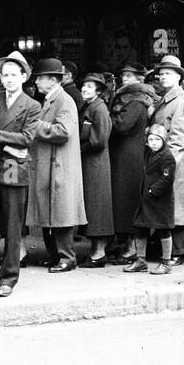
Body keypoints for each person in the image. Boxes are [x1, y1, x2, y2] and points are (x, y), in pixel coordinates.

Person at [0, 51, 41, 297]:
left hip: (13, 169)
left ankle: (8, 278)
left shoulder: (32, 105)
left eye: (14, 75)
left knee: (13, 225)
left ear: (24, 77)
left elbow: (27, 138)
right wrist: (8, 144)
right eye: (5, 75)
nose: (9, 79)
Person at [28, 57, 86, 273]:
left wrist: (35, 125)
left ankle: (66, 257)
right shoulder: (52, 100)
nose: (36, 82)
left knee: (61, 213)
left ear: (53, 80)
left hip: (59, 166)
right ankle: (56, 256)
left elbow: (63, 131)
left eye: (40, 78)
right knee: (51, 212)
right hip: (50, 165)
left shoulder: (65, 101)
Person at [108, 63, 156, 265]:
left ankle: (130, 248)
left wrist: (108, 116)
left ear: (139, 79)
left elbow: (123, 125)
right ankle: (126, 245)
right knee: (123, 201)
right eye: (123, 75)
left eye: (129, 76)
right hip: (126, 154)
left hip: (129, 156)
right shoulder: (130, 98)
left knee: (126, 202)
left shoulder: (135, 101)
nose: (124, 78)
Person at [150, 55, 184, 264]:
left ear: (178, 77)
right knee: (170, 205)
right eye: (161, 74)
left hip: (175, 161)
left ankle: (179, 251)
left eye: (168, 73)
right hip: (165, 159)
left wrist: (167, 164)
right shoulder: (166, 99)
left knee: (177, 207)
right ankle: (172, 249)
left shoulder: (179, 101)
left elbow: (178, 136)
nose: (163, 77)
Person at [125, 123, 175, 275]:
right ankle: (141, 260)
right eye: (151, 139)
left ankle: (166, 262)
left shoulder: (167, 156)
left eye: (157, 140)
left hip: (160, 200)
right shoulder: (148, 153)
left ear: (163, 141)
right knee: (140, 227)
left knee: (163, 229)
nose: (153, 143)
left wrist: (153, 190)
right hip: (147, 199)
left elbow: (167, 179)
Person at [76, 72, 114, 267]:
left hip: (96, 165)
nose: (85, 89)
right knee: (92, 207)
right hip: (90, 163)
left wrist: (80, 147)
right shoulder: (90, 106)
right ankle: (94, 252)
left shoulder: (99, 109)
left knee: (97, 208)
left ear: (98, 91)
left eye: (90, 87)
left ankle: (99, 254)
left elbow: (99, 140)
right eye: (84, 86)